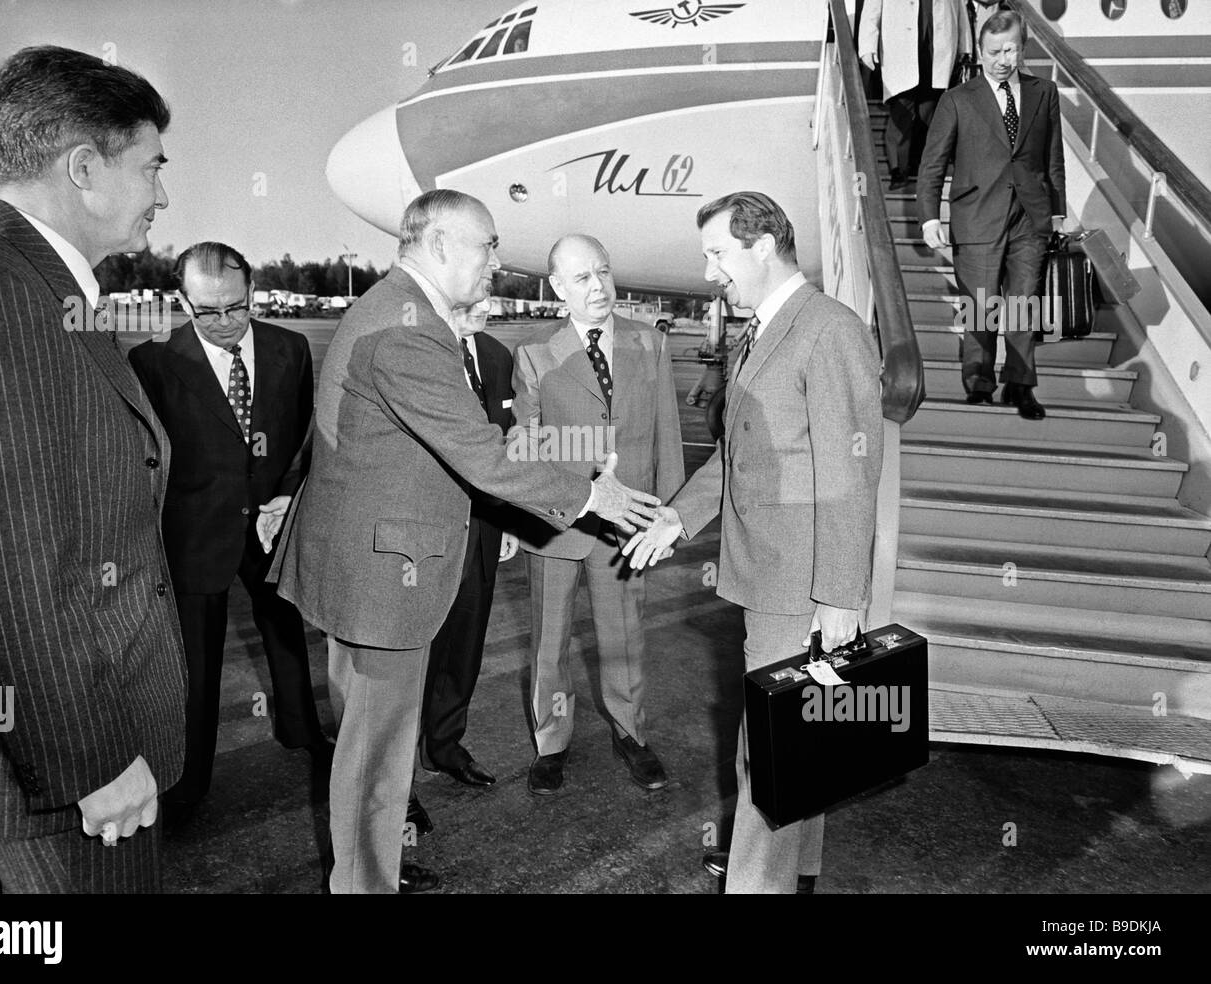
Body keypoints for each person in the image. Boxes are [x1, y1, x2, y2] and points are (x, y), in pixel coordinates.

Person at [271, 189, 659, 894]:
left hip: (365, 561)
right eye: (488, 245)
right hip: (383, 573)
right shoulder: (408, 328)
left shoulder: (398, 310)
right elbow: (481, 455)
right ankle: (363, 883)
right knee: (376, 755)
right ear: (442, 243)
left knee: (371, 747)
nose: (497, 263)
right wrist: (590, 493)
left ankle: (368, 867)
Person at [0, 45, 184, 892]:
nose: (163, 195)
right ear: (83, 168)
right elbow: (4, 566)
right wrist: (92, 761)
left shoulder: (23, 285)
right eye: (151, 166)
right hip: (60, 771)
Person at [625, 191, 883, 894]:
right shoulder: (765, 328)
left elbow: (850, 474)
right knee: (799, 744)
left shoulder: (827, 329)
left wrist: (838, 598)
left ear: (764, 245)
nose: (710, 272)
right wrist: (680, 518)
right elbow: (737, 454)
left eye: (718, 254)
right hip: (767, 572)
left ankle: (757, 882)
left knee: (769, 757)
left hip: (797, 584)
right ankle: (789, 868)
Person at [127, 242, 328, 817]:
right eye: (206, 311)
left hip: (271, 527)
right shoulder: (154, 361)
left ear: (254, 294)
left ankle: (302, 732)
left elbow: (298, 436)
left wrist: (287, 496)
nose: (223, 323)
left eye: (235, 308)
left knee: (288, 636)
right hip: (196, 536)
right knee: (197, 663)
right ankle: (189, 781)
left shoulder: (290, 349)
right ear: (182, 302)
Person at [511, 235, 684, 795]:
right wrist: (522, 517)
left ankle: (630, 732)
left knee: (625, 636)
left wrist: (670, 512)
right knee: (549, 641)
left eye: (604, 273)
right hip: (557, 523)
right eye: (582, 278)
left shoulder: (649, 344)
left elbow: (667, 435)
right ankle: (551, 741)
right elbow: (525, 447)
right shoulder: (535, 355)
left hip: (626, 522)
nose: (598, 287)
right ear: (558, 288)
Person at [916, 8, 1066, 420]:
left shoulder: (1044, 93)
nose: (1004, 59)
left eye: (1011, 50)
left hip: (1029, 218)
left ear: (1022, 49)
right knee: (980, 306)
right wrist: (930, 216)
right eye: (995, 51)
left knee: (1023, 305)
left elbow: (1053, 158)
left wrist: (1056, 212)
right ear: (980, 53)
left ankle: (1020, 385)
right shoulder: (957, 100)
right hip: (977, 217)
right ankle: (979, 382)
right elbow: (932, 164)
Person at [418, 300, 519, 789]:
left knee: (465, 646)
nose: (488, 305)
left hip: (481, 528)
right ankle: (394, 781)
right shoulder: (418, 349)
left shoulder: (497, 356)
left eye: (490, 293)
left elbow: (505, 447)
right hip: (422, 531)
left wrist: (510, 523)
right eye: (475, 293)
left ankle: (444, 745)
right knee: (411, 656)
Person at [859, 0, 964, 189]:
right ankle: (898, 170)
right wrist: (867, 47)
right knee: (901, 112)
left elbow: (959, 10)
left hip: (935, 50)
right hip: (901, 52)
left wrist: (965, 46)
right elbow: (871, 11)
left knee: (929, 112)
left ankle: (922, 168)